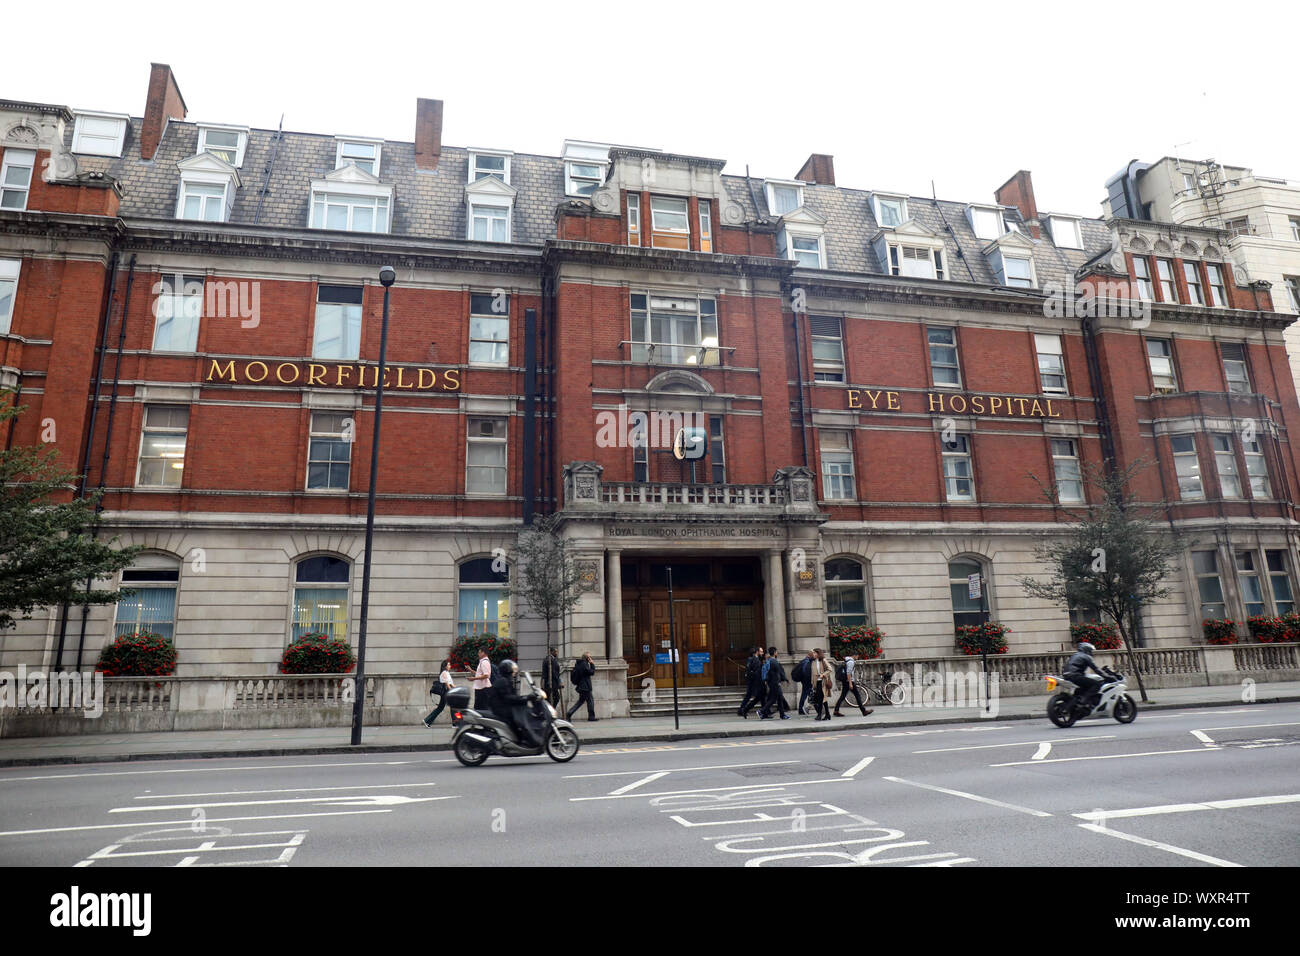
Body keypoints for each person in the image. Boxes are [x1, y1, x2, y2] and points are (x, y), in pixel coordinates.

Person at [489, 659, 540, 746]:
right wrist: (525, 698)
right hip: (500, 709)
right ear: (508, 670)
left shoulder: (505, 680)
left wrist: (524, 698)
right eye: (513, 671)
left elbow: (511, 697)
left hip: (502, 707)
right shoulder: (503, 681)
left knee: (523, 712)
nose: (514, 673)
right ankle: (519, 740)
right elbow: (509, 698)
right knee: (518, 720)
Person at [1064, 641, 1107, 708]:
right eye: (1090, 650)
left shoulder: (1075, 655)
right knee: (1096, 684)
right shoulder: (1086, 656)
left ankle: (1077, 701)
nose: (1091, 652)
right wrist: (1106, 675)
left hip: (1067, 675)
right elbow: (1096, 669)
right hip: (1075, 676)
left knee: (1084, 686)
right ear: (1087, 649)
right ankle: (1083, 699)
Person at [833, 654, 873, 718]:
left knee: (842, 696)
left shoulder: (846, 660)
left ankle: (836, 710)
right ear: (854, 655)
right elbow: (848, 673)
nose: (858, 657)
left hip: (845, 681)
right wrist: (850, 683)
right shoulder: (851, 662)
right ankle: (864, 711)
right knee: (857, 695)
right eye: (857, 656)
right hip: (848, 681)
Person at [759, 647, 790, 720]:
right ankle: (761, 711)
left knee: (779, 699)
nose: (777, 653)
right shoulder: (774, 662)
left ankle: (782, 715)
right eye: (776, 651)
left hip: (771, 683)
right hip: (775, 683)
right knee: (773, 699)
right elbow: (778, 673)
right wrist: (783, 680)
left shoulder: (769, 661)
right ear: (775, 652)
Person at [567, 651, 598, 721]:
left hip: (582, 686)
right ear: (587, 658)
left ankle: (569, 713)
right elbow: (591, 672)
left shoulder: (579, 664)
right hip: (585, 686)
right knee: (590, 701)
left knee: (581, 701)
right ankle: (591, 717)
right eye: (589, 657)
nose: (590, 658)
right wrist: (592, 664)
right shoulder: (584, 664)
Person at [423, 658, 454, 727]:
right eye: (449, 665)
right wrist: (452, 691)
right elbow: (447, 684)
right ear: (445, 666)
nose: (450, 666)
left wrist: (458, 689)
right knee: (453, 707)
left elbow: (452, 684)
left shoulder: (447, 673)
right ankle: (455, 723)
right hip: (446, 692)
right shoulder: (444, 673)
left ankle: (427, 721)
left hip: (446, 692)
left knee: (440, 708)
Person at [738, 646, 767, 718]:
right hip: (754, 682)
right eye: (761, 651)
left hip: (754, 681)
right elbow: (754, 671)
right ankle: (743, 710)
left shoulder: (757, 659)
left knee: (758, 697)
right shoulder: (753, 660)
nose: (762, 653)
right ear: (756, 652)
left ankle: (765, 712)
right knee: (751, 696)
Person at [810, 648, 834, 721]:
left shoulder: (823, 660)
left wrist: (823, 675)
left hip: (823, 682)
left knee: (820, 699)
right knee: (823, 699)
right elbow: (812, 674)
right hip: (816, 683)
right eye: (813, 653)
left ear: (818, 653)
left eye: (814, 653)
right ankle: (828, 715)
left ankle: (819, 715)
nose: (813, 654)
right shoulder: (813, 662)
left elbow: (830, 669)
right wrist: (812, 683)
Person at [471, 647, 494, 715]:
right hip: (481, 688)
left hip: (483, 689)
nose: (478, 654)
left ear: (483, 653)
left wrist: (473, 679)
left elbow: (486, 675)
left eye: (479, 652)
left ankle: (486, 724)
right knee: (479, 709)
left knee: (482, 709)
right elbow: (480, 674)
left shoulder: (484, 662)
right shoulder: (482, 662)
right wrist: (471, 670)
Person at [793, 649, 815, 715]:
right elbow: (805, 672)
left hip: (805, 680)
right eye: (813, 654)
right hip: (807, 680)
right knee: (807, 694)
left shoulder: (805, 660)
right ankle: (802, 709)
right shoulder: (806, 661)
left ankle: (802, 709)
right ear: (811, 654)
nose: (814, 655)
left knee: (807, 694)